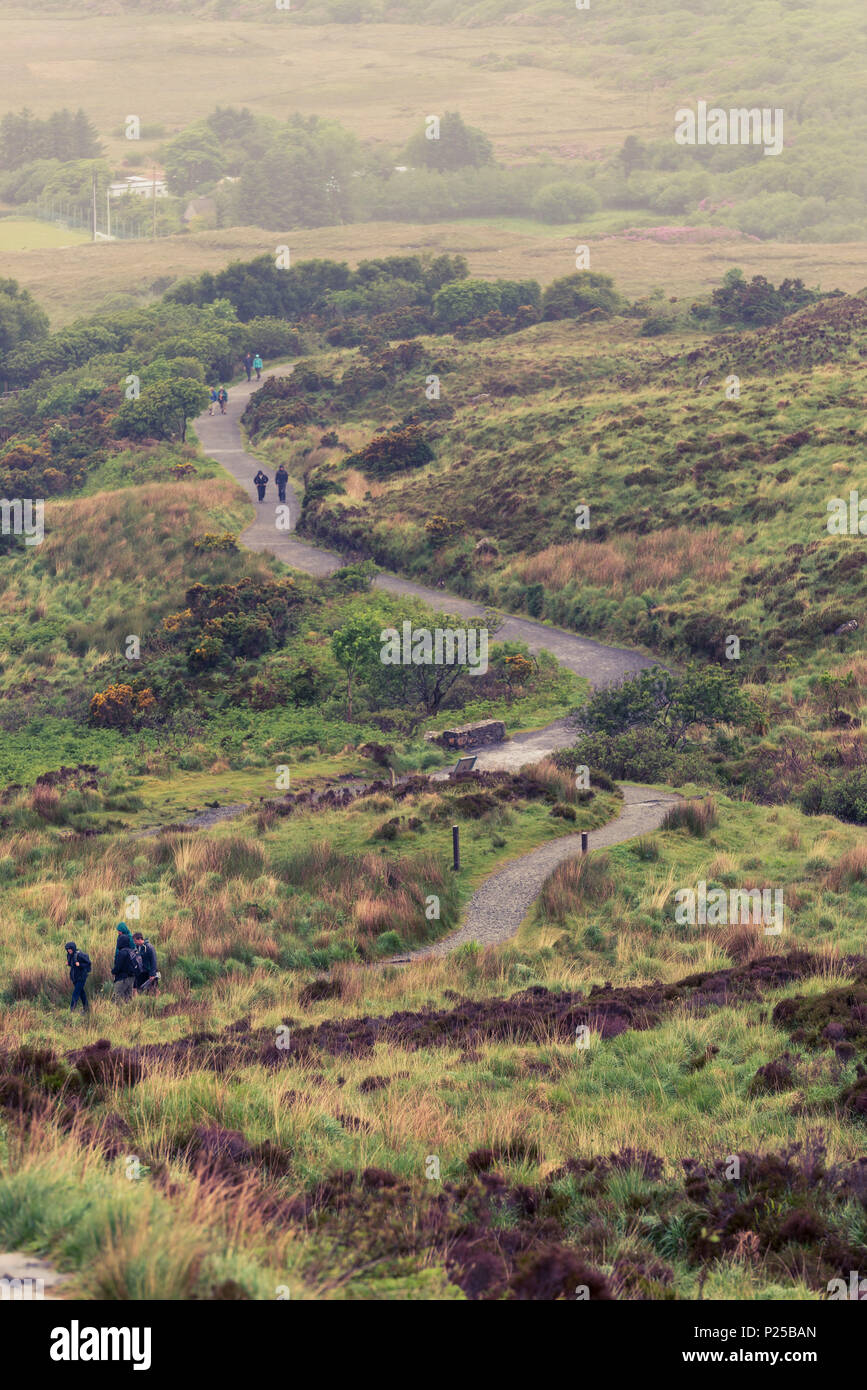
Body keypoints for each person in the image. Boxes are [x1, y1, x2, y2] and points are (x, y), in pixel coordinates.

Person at [112, 922, 137, 1003]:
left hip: (124, 972)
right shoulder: (121, 938)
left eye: (119, 930)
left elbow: (121, 962)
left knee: (118, 995)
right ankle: (128, 1011)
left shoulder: (129, 939)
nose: (118, 932)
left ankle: (119, 1011)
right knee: (128, 996)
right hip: (130, 973)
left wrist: (114, 971)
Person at [65, 941, 91, 1013]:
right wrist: (69, 963)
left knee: (75, 993)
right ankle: (87, 1009)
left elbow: (88, 963)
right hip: (75, 978)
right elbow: (73, 965)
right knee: (81, 993)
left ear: (73, 948)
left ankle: (71, 1011)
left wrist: (80, 964)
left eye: (70, 949)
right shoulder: (69, 955)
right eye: (67, 949)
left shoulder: (79, 955)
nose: (69, 950)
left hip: (81, 977)